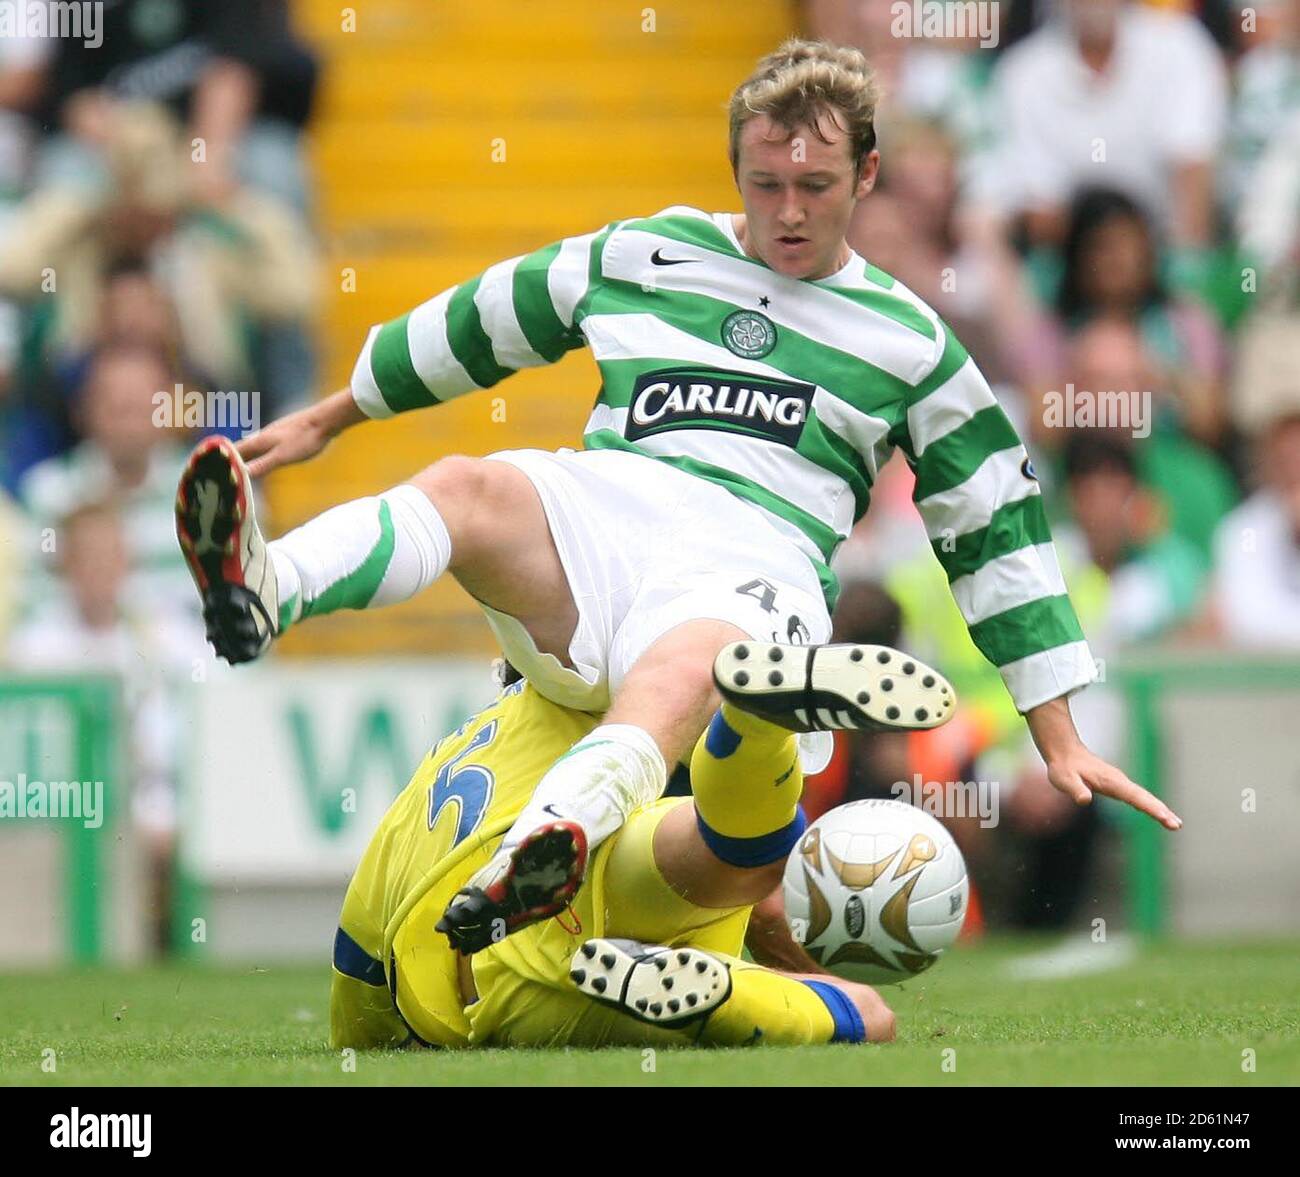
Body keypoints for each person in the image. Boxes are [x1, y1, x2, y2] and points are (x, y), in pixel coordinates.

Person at [179, 39, 1181, 958]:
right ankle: (269, 586)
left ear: (866, 176)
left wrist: (1054, 731)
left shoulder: (910, 340)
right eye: (767, 182)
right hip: (611, 506)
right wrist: (338, 412)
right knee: (466, 485)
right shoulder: (650, 252)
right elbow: (494, 313)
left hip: (752, 565)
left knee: (692, 664)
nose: (788, 210)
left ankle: (553, 836)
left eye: (816, 187)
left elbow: (993, 521)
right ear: (735, 166)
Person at [332, 671, 893, 1049]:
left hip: (494, 990)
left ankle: (718, 991)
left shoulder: (450, 757)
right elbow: (771, 916)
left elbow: (358, 957)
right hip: (595, 881)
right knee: (869, 1011)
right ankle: (754, 727)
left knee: (727, 867)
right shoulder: (635, 712)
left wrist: (388, 1031)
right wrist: (817, 975)